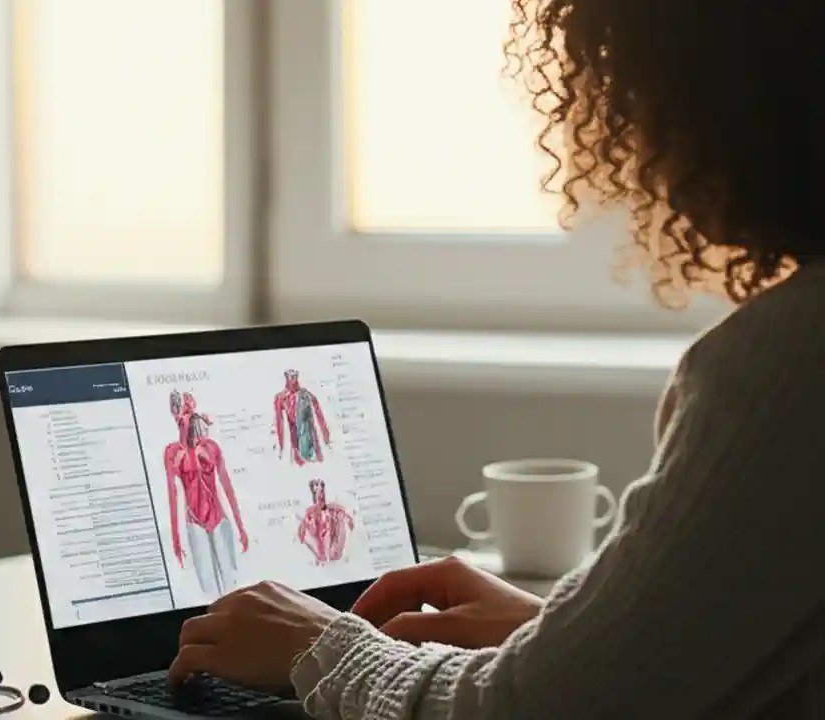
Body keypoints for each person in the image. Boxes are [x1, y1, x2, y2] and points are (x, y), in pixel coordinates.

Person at [167, 0, 825, 716]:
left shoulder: (787, 361)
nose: (630, 129)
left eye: (627, 83)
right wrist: (554, 635)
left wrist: (321, 647)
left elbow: (523, 711)